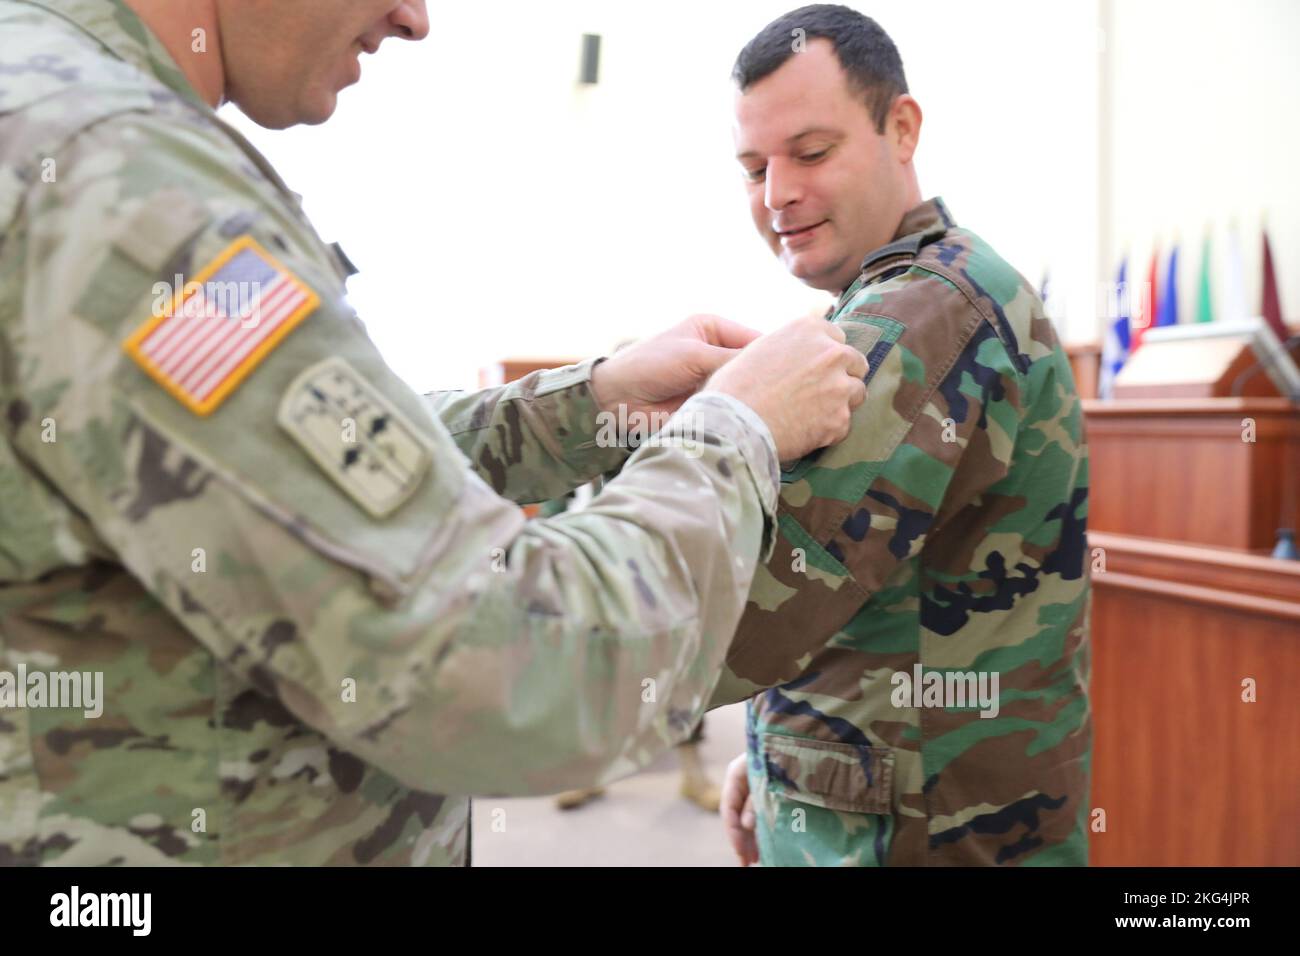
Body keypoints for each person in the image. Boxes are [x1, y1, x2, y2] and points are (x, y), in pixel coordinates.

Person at [0, 0, 868, 866]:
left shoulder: (59, 115)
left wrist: (586, 403)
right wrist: (737, 430)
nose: (414, 19)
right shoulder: (125, 180)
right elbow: (508, 678)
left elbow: (292, 461)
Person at [714, 5, 1092, 866]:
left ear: (902, 127)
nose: (777, 194)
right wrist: (772, 750)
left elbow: (755, 614)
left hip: (925, 827)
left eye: (811, 153)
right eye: (752, 167)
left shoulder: (922, 312)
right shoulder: (919, 290)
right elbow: (869, 599)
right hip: (899, 787)